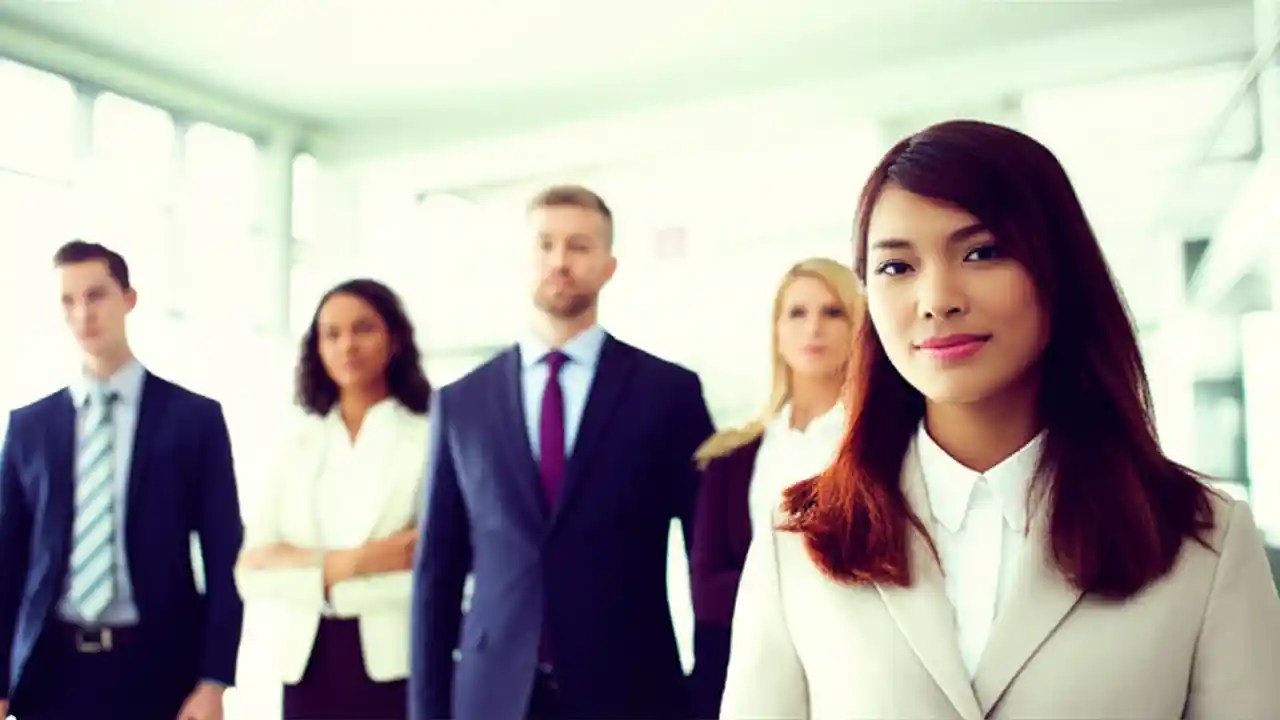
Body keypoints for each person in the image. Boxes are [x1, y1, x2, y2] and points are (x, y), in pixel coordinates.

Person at [719, 120, 1280, 719]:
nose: (937, 298)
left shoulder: (1204, 540)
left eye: (982, 252)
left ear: (1058, 270)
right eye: (896, 267)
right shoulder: (801, 540)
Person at [410, 184, 715, 720]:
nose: (560, 261)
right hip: (491, 694)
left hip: (633, 688)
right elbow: (437, 570)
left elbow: (704, 556)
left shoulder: (669, 393)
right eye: (544, 244)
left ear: (609, 265)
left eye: (579, 246)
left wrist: (711, 690)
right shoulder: (461, 403)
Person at [0, 240, 243, 719]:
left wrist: (213, 680)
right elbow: (6, 561)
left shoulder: (194, 419)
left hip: (156, 671)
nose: (82, 314)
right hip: (50, 673)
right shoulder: (29, 426)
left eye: (96, 296)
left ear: (128, 298)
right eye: (68, 301)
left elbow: (223, 557)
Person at [236, 279, 432, 719]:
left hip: (399, 664)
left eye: (364, 329)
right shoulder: (295, 446)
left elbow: (436, 564)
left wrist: (305, 568)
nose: (347, 345)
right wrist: (360, 563)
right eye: (332, 334)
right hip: (308, 666)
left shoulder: (430, 438)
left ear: (394, 339)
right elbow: (251, 572)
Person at [687, 257, 858, 717]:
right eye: (797, 313)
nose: (814, 328)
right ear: (777, 331)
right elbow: (706, 589)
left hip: (856, 678)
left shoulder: (880, 448)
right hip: (743, 677)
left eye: (833, 312)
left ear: (859, 329)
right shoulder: (727, 457)